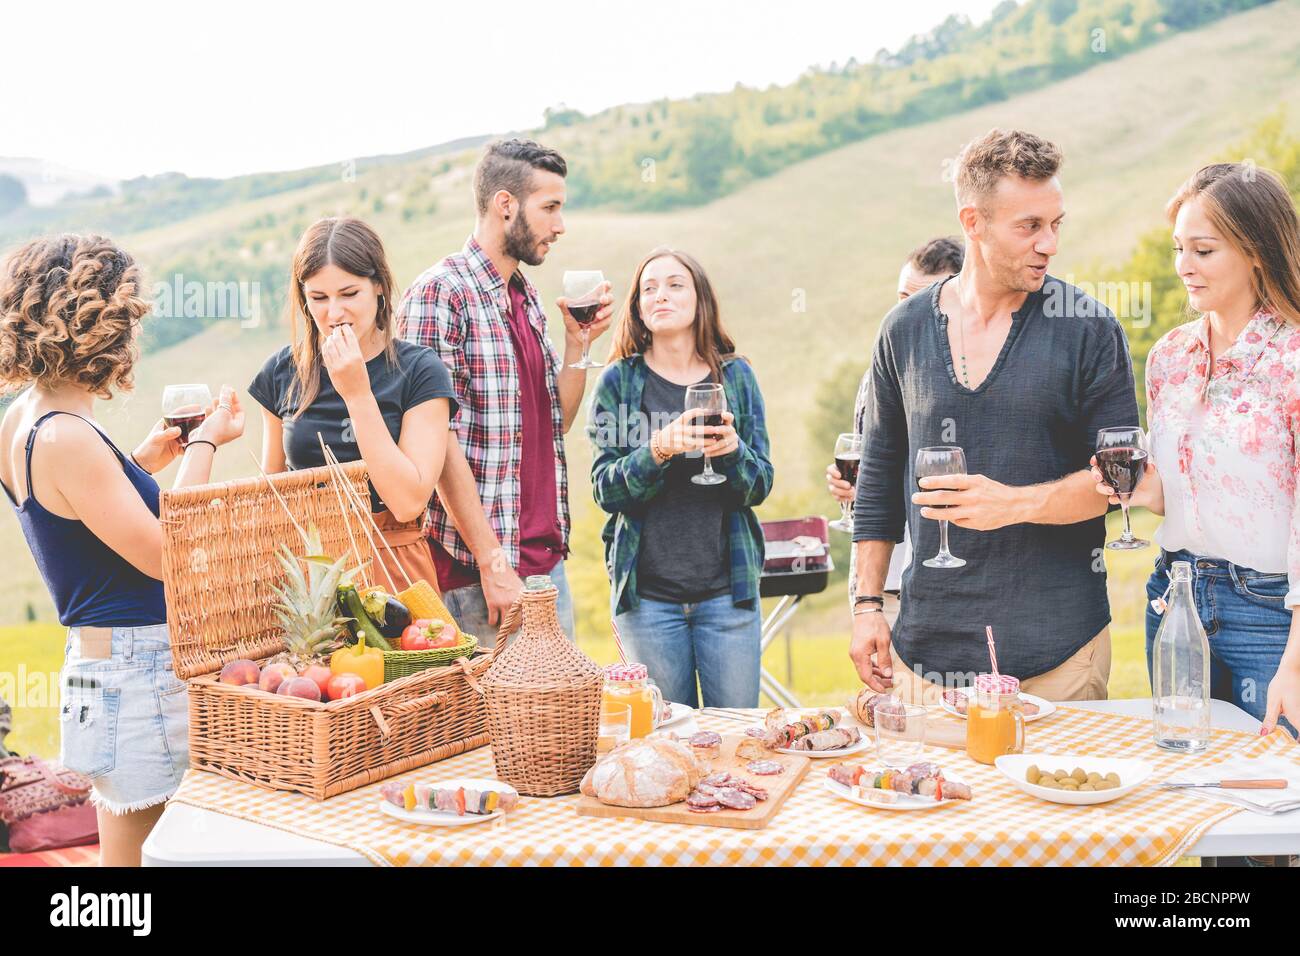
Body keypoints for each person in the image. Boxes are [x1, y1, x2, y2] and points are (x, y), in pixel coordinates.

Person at [851, 129, 1139, 704]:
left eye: (1056, 224)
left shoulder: (1089, 328)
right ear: (974, 222)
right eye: (1029, 226)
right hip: (926, 654)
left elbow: (1121, 479)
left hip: (1060, 653)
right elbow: (878, 482)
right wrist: (866, 607)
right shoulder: (902, 330)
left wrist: (1012, 504)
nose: (1049, 244)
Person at [0, 234, 244, 865]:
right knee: (149, 863)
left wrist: (138, 463)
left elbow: (73, 522)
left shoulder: (24, 419)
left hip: (100, 661)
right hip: (138, 668)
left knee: (126, 859)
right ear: (102, 328)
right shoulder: (69, 436)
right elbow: (167, 553)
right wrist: (204, 447)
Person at [1092, 163, 1300, 740]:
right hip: (1176, 594)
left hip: (1275, 612)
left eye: (1204, 250)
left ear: (1257, 250)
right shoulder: (1170, 356)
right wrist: (1130, 486)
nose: (1184, 265)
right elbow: (1176, 491)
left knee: (1284, 792)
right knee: (1190, 775)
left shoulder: (1292, 359)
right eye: (1179, 248)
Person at [397, 139, 614, 639]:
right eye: (550, 208)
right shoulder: (441, 293)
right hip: (476, 576)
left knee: (560, 718)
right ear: (505, 205)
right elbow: (436, 443)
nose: (560, 226)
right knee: (490, 722)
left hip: (542, 565)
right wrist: (492, 563)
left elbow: (552, 419)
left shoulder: (526, 295)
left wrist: (578, 346)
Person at [588, 248, 774, 708]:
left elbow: (761, 485)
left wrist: (733, 453)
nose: (660, 296)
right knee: (666, 740)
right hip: (647, 602)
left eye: (675, 285)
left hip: (727, 597)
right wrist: (659, 449)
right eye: (648, 288)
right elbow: (605, 488)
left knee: (734, 737)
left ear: (699, 299)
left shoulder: (737, 377)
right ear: (637, 307)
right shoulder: (619, 382)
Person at [249, 218, 456, 592]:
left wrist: (357, 394)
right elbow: (272, 498)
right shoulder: (281, 372)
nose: (334, 313)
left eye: (349, 294)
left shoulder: (420, 371)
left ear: (378, 286)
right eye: (318, 298)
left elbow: (408, 501)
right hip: (311, 575)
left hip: (393, 568)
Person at [826, 237, 964, 622]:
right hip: (882, 586)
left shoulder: (971, 376)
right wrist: (851, 488)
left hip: (947, 581)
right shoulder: (876, 374)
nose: (904, 312)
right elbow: (873, 465)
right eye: (901, 296)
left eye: (920, 300)